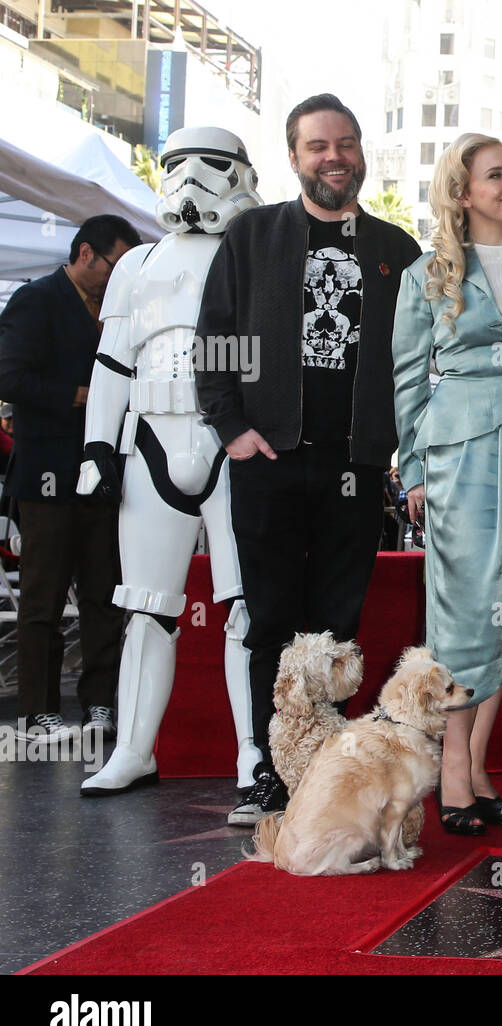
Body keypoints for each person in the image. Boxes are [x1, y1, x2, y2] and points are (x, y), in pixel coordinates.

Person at [195, 94, 421, 825]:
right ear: (293, 157)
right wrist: (232, 428)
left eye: (346, 143)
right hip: (265, 459)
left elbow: (417, 360)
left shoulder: (396, 250)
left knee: (336, 624)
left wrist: (394, 448)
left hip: (355, 467)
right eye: (318, 145)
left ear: (361, 153)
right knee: (271, 621)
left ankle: (327, 773)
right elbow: (217, 339)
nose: (334, 157)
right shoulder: (252, 236)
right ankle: (267, 769)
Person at [77, 127, 263, 797]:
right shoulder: (136, 266)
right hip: (150, 438)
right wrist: (97, 449)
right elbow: (113, 363)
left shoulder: (257, 255)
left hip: (232, 439)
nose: (191, 177)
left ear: (240, 173)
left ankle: (254, 752)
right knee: (148, 609)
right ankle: (133, 747)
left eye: (210, 164)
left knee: (246, 605)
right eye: (176, 163)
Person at [392, 132, 502, 834]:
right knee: (463, 612)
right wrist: (415, 469)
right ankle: (452, 768)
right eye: (494, 175)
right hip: (460, 450)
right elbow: (406, 382)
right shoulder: (425, 275)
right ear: (462, 193)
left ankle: (479, 765)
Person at [0, 215, 140, 742]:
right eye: (113, 264)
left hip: (103, 477)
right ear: (85, 253)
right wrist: (81, 395)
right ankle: (38, 711)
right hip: (47, 478)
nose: (117, 275)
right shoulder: (35, 300)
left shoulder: (119, 309)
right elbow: (8, 375)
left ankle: (99, 702)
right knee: (44, 599)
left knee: (105, 596)